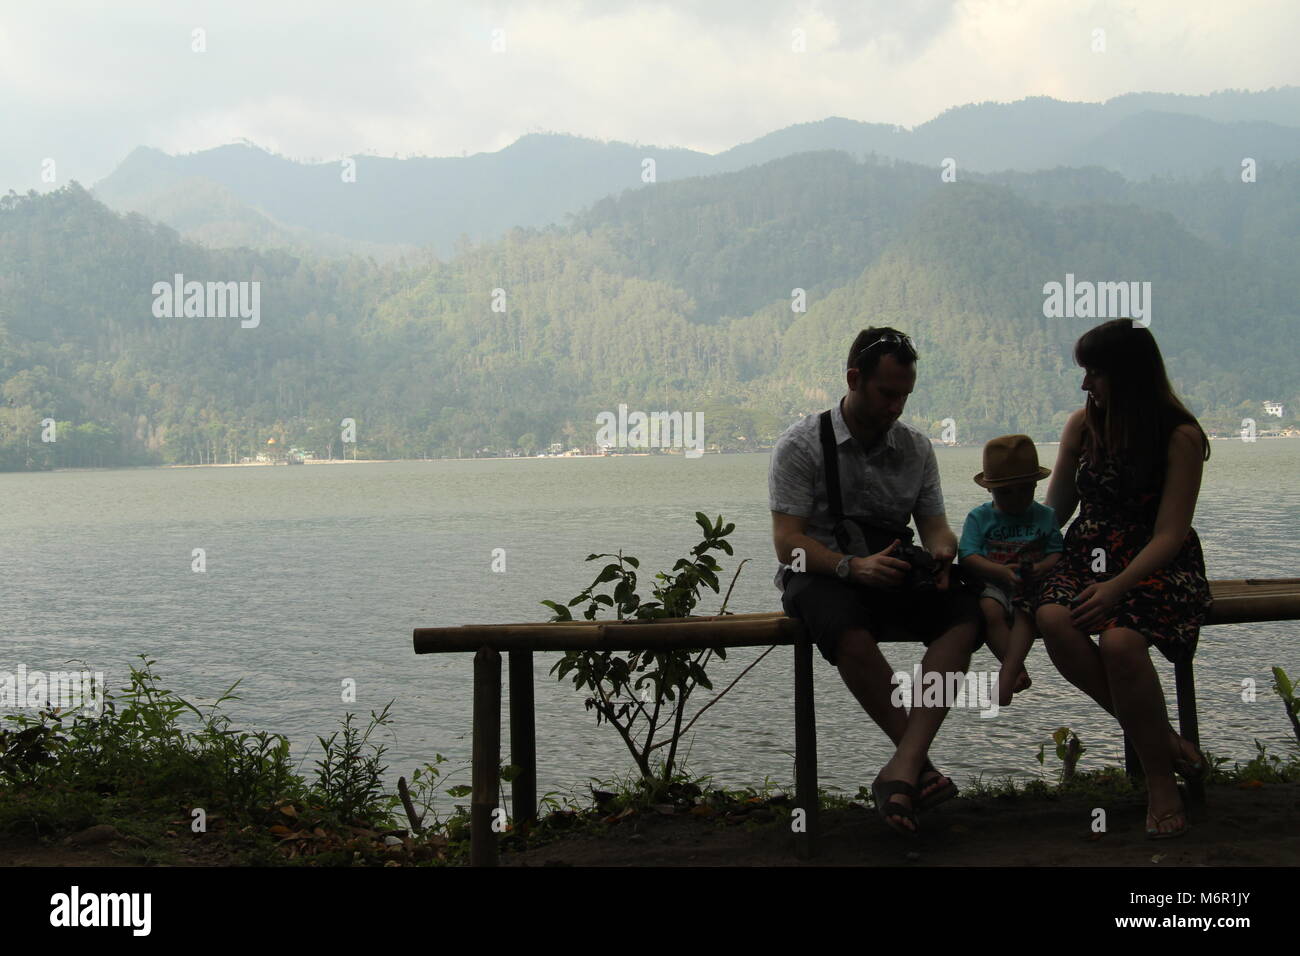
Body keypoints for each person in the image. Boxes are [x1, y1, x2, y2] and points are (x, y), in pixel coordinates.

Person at [769, 327, 983, 836]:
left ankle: (902, 769)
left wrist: (944, 553)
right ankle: (918, 768)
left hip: (892, 567)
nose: (896, 407)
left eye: (904, 395)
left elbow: (934, 526)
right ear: (854, 379)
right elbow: (788, 544)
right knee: (845, 625)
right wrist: (851, 566)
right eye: (887, 393)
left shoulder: (916, 448)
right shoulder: (800, 446)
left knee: (965, 617)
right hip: (819, 573)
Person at [1034, 318, 1212, 839]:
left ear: (1129, 375)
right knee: (1053, 618)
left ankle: (1160, 782)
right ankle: (1166, 742)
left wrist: (1118, 586)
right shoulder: (1082, 427)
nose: (1085, 384)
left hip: (1157, 565)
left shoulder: (1179, 436)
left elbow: (1170, 533)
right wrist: (1016, 540)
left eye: (1095, 373)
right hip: (1085, 558)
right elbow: (1057, 510)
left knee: (1120, 643)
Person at [959, 435, 1063, 707]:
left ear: (1035, 486)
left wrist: (1040, 568)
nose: (1016, 499)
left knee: (1025, 613)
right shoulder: (979, 517)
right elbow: (968, 556)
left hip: (1031, 586)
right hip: (994, 583)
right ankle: (1016, 670)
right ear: (990, 491)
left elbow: (1056, 553)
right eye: (1006, 492)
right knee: (989, 610)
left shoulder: (1046, 516)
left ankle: (1008, 675)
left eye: (1024, 490)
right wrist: (999, 571)